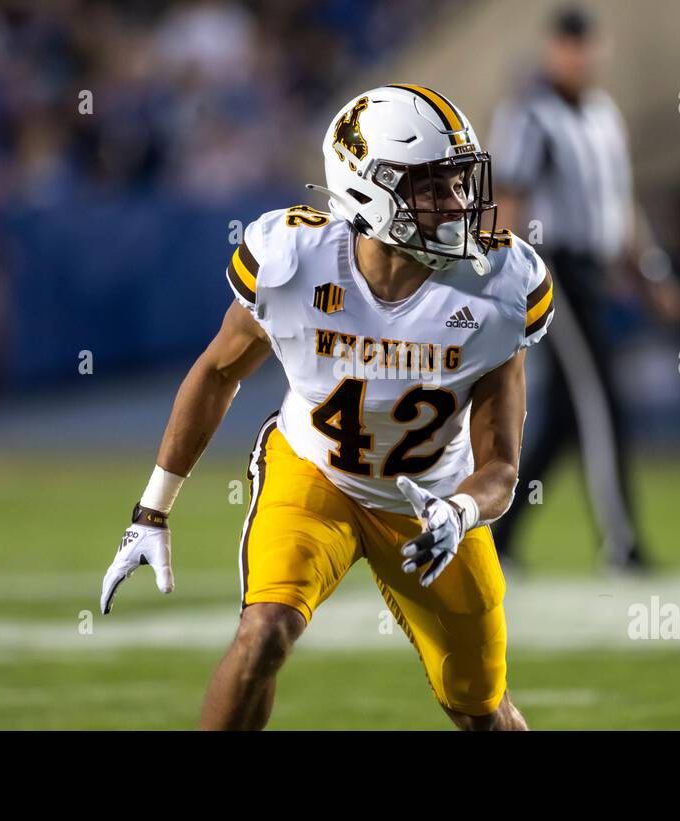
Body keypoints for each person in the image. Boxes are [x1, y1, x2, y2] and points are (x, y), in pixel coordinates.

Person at [98, 85, 555, 730]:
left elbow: (502, 465)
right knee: (264, 632)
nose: (457, 203)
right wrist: (152, 508)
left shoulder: (498, 290)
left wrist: (459, 510)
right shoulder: (297, 262)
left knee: (482, 711)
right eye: (430, 188)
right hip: (317, 473)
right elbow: (218, 369)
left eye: (458, 182)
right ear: (368, 190)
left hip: (432, 501)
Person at [488, 8, 680, 571]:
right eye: (568, 46)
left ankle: (498, 535)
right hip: (554, 268)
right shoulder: (530, 114)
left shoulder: (603, 114)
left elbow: (620, 204)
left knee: (569, 415)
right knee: (602, 397)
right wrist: (499, 277)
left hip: (597, 270)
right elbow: (512, 201)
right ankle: (621, 541)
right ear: (552, 50)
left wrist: (651, 273)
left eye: (586, 46)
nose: (578, 57)